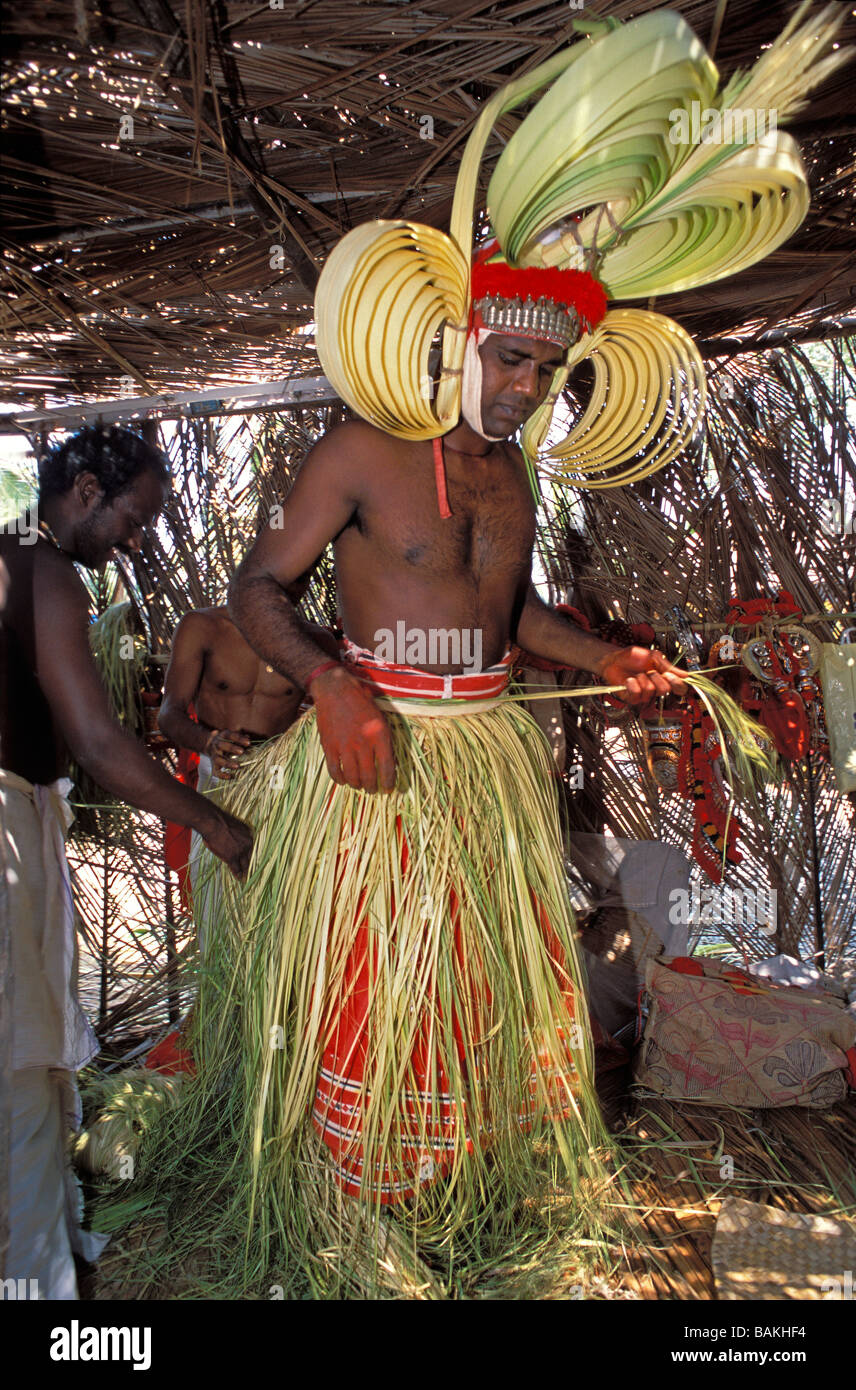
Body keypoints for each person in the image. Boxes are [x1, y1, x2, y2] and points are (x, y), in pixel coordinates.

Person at [0, 425, 252, 1300]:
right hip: (4, 825)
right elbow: (101, 747)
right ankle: (34, 1279)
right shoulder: (46, 574)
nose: (137, 542)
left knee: (32, 1054)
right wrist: (218, 826)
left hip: (19, 818)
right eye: (134, 520)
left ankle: (52, 1244)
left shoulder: (12, 559)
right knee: (18, 1063)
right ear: (82, 491)